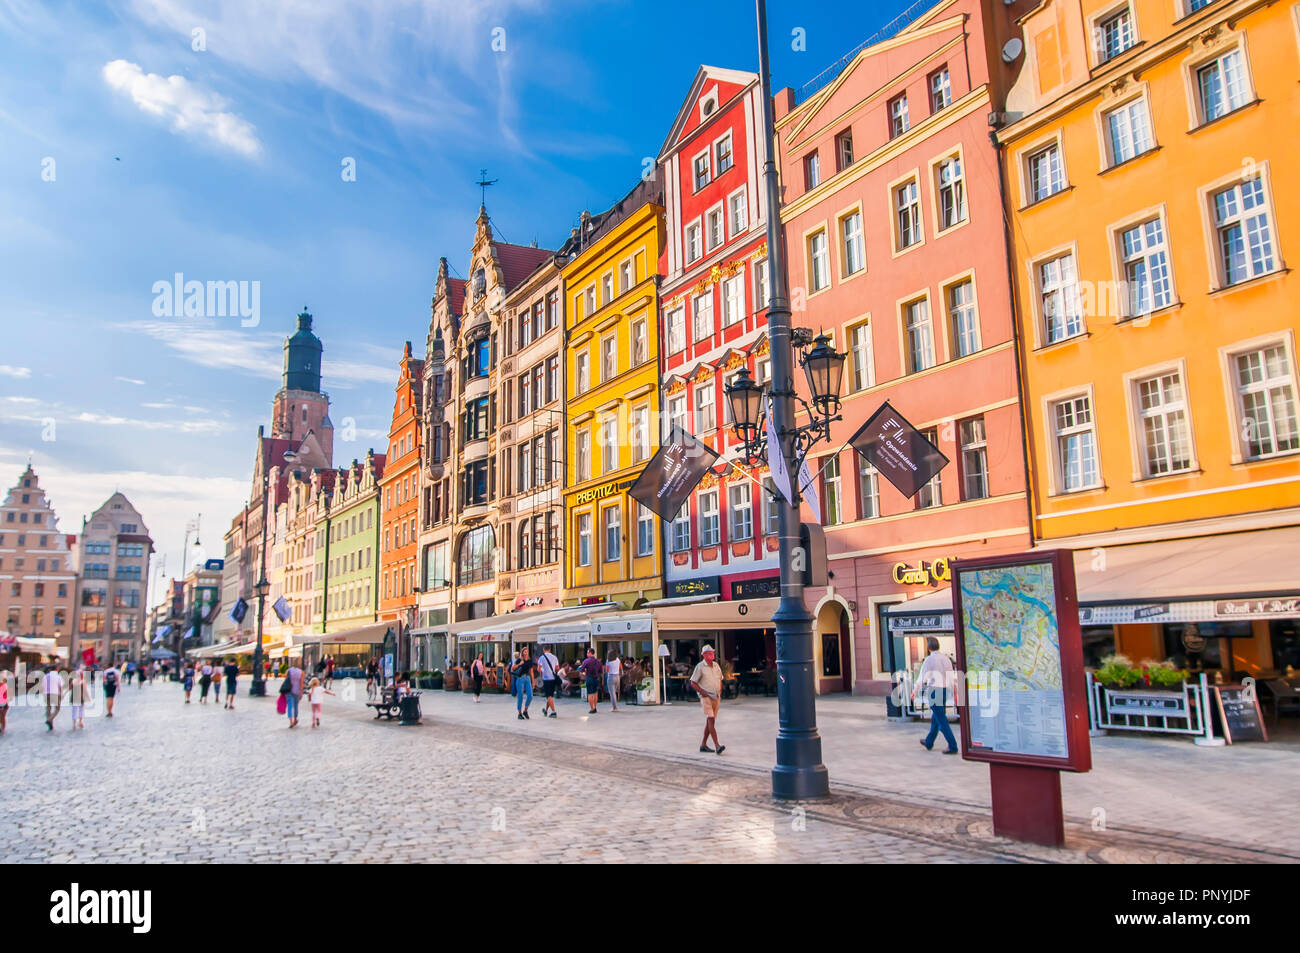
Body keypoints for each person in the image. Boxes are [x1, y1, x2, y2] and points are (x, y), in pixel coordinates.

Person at [912, 637, 958, 754]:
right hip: (943, 690)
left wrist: (914, 691)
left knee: (941, 720)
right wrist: (955, 690)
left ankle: (953, 745)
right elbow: (951, 677)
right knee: (936, 717)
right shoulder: (946, 659)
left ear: (928, 648)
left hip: (934, 691)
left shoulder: (929, 660)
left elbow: (922, 677)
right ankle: (929, 741)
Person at [689, 645, 725, 755]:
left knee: (710, 721)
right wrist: (702, 692)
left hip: (716, 696)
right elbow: (693, 682)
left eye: (712, 653)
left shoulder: (716, 666)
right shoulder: (700, 667)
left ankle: (703, 744)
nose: (711, 655)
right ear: (704, 655)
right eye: (709, 653)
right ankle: (717, 745)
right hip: (706, 696)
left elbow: (720, 678)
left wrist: (720, 691)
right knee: (711, 719)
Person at [511, 646, 535, 720]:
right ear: (522, 653)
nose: (526, 652)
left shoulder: (530, 661)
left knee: (530, 695)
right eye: (524, 651)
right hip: (520, 678)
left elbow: (531, 671)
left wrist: (533, 681)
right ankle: (519, 713)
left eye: (527, 651)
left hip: (527, 678)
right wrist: (519, 664)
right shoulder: (519, 660)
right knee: (520, 696)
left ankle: (525, 710)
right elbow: (513, 668)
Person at [537, 644, 561, 718]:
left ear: (544, 650)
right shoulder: (555, 657)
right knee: (550, 695)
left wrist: (542, 671)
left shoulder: (542, 658)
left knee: (548, 696)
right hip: (553, 679)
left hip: (546, 678)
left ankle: (554, 712)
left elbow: (538, 669)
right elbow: (557, 668)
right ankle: (546, 710)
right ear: (550, 650)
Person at [578, 648, 602, 715]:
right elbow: (600, 671)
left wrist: (584, 673)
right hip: (596, 679)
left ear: (590, 653)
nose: (587, 654)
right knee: (595, 693)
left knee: (590, 694)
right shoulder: (598, 661)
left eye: (587, 652)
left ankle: (592, 708)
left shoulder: (586, 661)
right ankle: (595, 707)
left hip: (589, 678)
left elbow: (581, 669)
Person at [42, 665, 64, 730]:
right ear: (56, 669)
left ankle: (50, 724)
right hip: (55, 693)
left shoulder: (45, 676)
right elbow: (60, 686)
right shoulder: (58, 676)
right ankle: (49, 720)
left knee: (48, 709)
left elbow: (42, 686)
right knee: (57, 709)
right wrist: (61, 694)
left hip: (46, 693)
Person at [284, 660, 305, 728]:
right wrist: (301, 692)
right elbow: (301, 684)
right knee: (296, 706)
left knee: (290, 706)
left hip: (288, 690)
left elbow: (285, 680)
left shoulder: (288, 670)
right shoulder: (301, 672)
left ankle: (291, 721)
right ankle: (295, 719)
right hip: (296, 691)